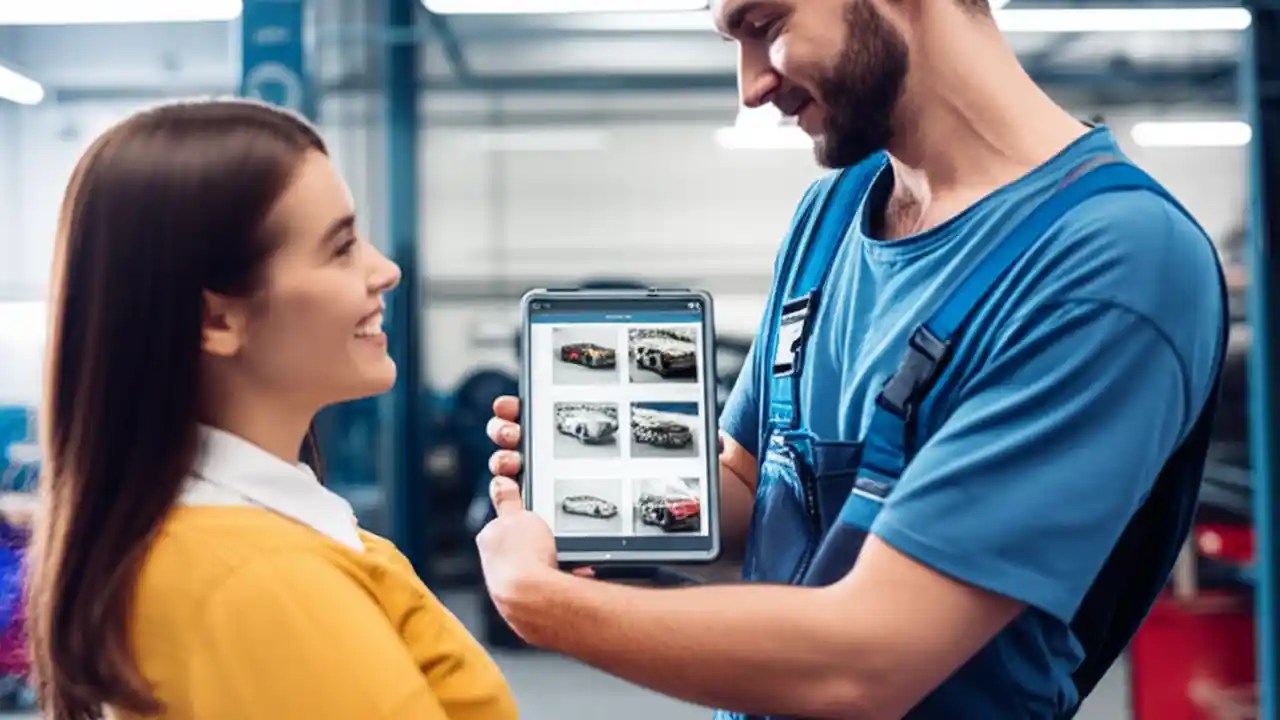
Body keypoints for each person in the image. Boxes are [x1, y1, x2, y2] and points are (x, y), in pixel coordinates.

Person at [476, 1, 1228, 719]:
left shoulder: (1111, 262)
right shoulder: (833, 215)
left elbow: (871, 662)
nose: (751, 87)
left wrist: (542, 602)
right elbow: (755, 481)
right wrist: (606, 486)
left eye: (765, 26)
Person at [25, 99, 517, 720]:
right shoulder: (254, 581)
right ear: (216, 319)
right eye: (340, 248)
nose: (384, 270)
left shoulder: (251, 543)